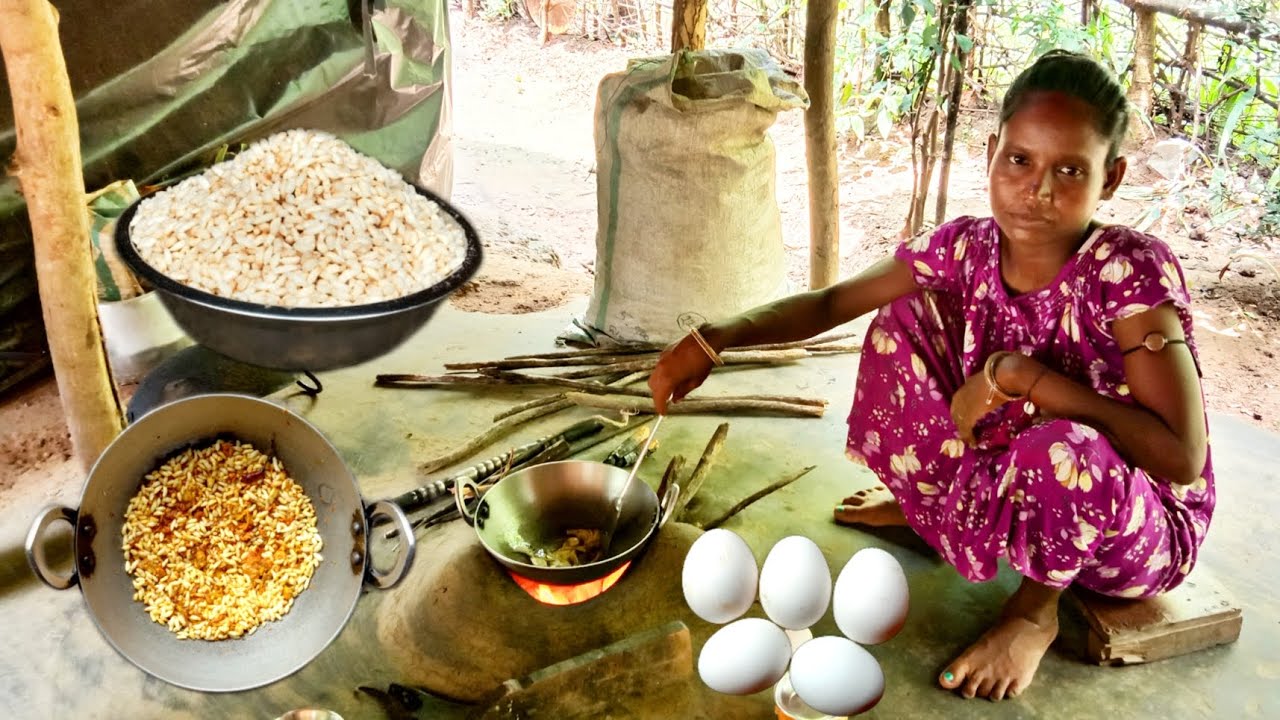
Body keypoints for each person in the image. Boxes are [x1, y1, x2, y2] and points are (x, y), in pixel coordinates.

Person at [648, 49, 1213, 702]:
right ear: (992, 152)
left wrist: (1019, 376)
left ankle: (1035, 611)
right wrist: (714, 340)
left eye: (1070, 169)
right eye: (1020, 160)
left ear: (1109, 178)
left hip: (1130, 521)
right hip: (1018, 455)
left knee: (1067, 448)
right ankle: (934, 516)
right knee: (904, 314)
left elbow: (1181, 458)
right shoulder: (966, 248)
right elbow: (834, 303)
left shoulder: (1127, 273)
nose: (1039, 190)